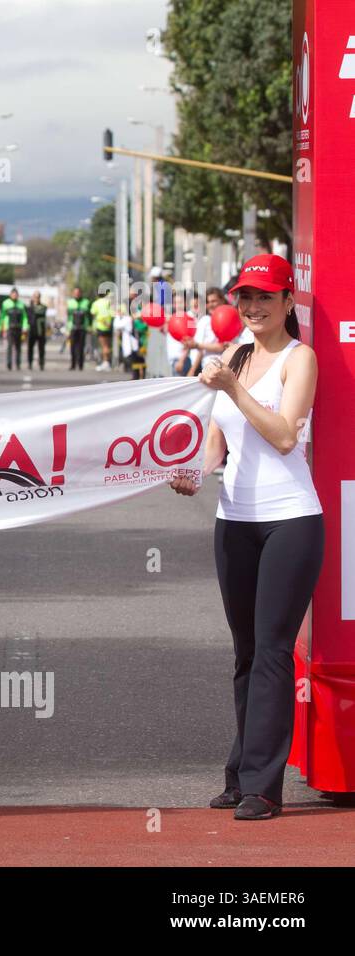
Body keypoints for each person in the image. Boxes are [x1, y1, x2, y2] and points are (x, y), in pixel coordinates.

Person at [169, 254, 322, 821]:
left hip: (291, 521)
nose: (253, 307)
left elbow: (285, 436)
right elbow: (217, 440)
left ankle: (263, 785)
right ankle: (240, 772)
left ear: (288, 302)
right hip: (234, 521)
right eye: (245, 298)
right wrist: (195, 473)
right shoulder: (234, 355)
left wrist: (233, 387)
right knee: (246, 652)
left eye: (264, 297)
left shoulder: (297, 359)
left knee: (274, 651)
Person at [0, 288, 28, 371]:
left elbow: (24, 317)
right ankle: (9, 363)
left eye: (16, 294)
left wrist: (25, 327)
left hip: (19, 328)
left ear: (18, 295)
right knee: (9, 346)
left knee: (18, 347)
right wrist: (1, 327)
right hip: (10, 328)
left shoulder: (21, 304)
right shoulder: (5, 303)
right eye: (13, 294)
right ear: (10, 295)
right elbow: (2, 316)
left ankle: (18, 364)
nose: (14, 296)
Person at [65, 288, 91, 371]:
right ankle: (73, 365)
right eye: (75, 293)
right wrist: (67, 329)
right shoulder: (70, 302)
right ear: (73, 294)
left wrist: (89, 327)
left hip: (83, 328)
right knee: (72, 347)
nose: (77, 294)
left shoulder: (86, 302)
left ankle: (80, 365)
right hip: (72, 328)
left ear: (81, 293)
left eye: (78, 293)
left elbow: (89, 316)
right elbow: (68, 317)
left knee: (81, 347)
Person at [25, 291, 48, 371]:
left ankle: (41, 363)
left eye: (37, 297)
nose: (36, 298)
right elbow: (27, 316)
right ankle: (30, 363)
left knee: (41, 348)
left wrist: (31, 307)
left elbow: (39, 312)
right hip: (31, 330)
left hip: (40, 330)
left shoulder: (43, 307)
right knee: (30, 348)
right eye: (35, 296)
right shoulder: (29, 307)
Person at [91, 292, 114, 371]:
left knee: (104, 346)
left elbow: (93, 314)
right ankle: (107, 362)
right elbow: (112, 313)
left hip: (101, 327)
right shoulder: (109, 302)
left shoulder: (96, 303)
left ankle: (106, 362)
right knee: (108, 345)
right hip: (109, 326)